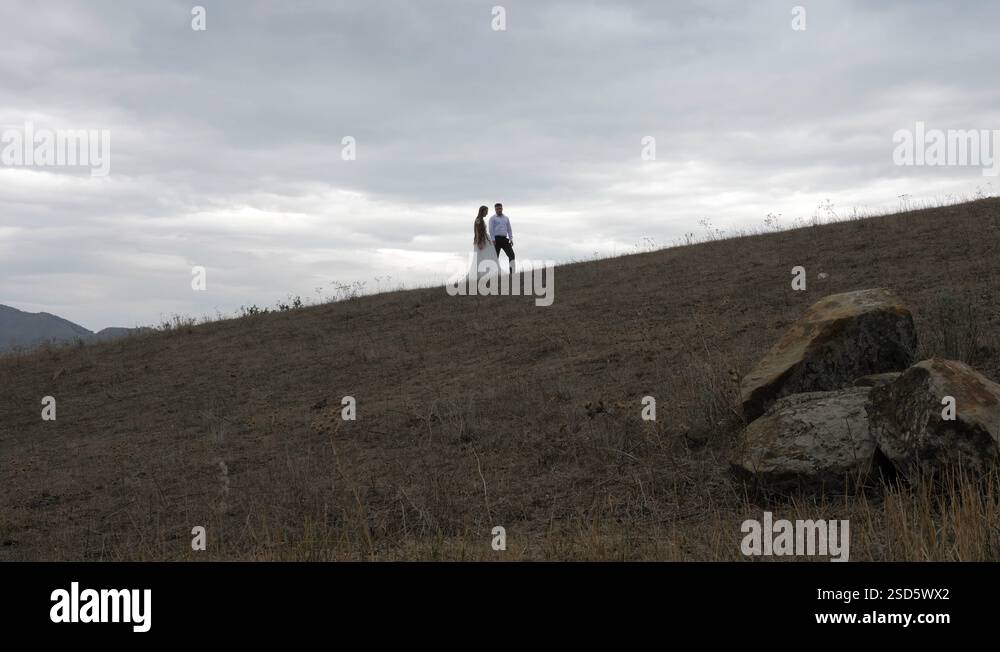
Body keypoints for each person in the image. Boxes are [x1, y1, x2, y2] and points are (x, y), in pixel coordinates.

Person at [470, 205, 499, 281]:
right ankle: (484, 274)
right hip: (482, 241)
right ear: (482, 211)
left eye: (487, 212)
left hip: (485, 239)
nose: (486, 213)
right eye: (486, 212)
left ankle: (489, 273)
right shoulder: (478, 220)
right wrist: (479, 242)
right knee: (483, 257)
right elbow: (478, 232)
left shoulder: (481, 220)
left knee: (489, 256)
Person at [489, 202, 515, 275]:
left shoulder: (506, 218)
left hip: (505, 239)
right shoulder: (492, 218)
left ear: (502, 208)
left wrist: (511, 238)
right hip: (496, 240)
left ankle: (512, 273)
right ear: (495, 210)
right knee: (495, 258)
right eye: (497, 209)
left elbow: (509, 229)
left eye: (500, 208)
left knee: (511, 255)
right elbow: (491, 229)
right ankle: (493, 274)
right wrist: (493, 239)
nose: (499, 210)